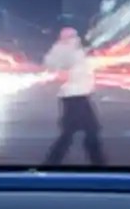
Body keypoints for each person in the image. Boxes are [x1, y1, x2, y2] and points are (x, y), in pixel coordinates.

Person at [41, 27, 105, 166]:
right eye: (73, 36)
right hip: (74, 96)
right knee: (88, 130)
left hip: (77, 95)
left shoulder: (73, 50)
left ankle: (52, 162)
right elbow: (56, 65)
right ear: (65, 37)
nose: (76, 38)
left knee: (73, 133)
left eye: (76, 35)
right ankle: (99, 164)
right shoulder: (64, 50)